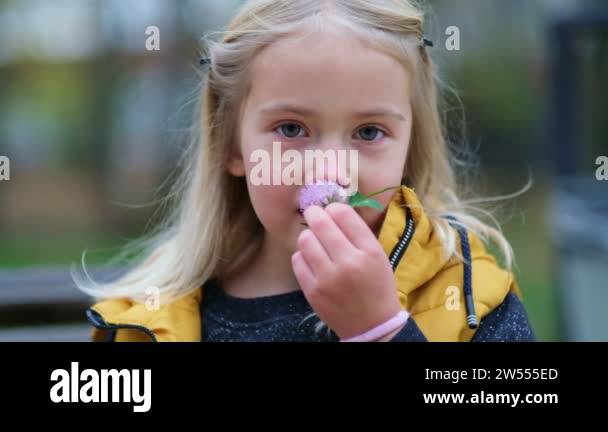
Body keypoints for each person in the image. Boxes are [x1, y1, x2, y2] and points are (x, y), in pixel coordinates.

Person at [79, 0, 535, 342]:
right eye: (292, 128)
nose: (332, 170)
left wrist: (381, 331)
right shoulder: (152, 317)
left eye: (369, 133)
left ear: (409, 147)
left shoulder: (468, 293)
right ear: (231, 144)